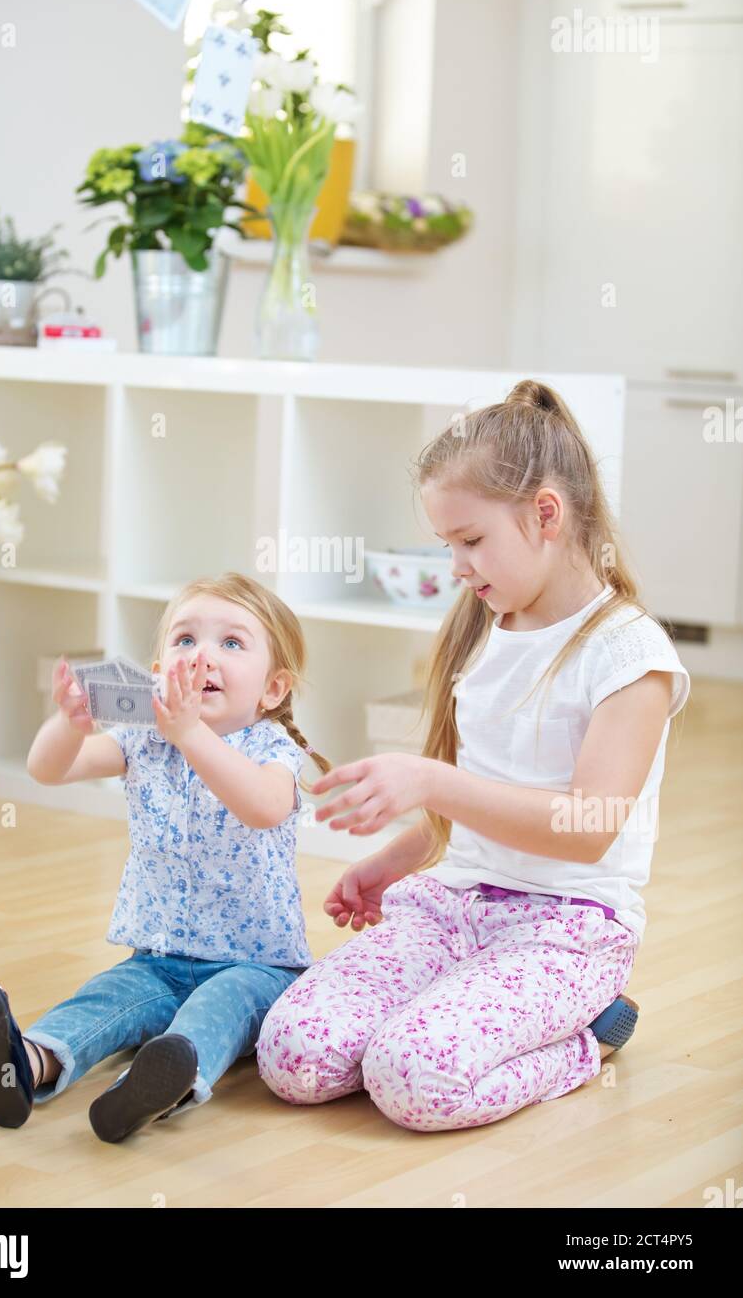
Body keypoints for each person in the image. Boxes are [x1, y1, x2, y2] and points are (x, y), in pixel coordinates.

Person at [257, 379, 690, 1132]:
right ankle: (459, 1012)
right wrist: (395, 860)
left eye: (470, 540)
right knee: (294, 1057)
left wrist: (429, 778)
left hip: (567, 928)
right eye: (446, 544)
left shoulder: (628, 653)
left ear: (545, 514)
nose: (456, 565)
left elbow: (586, 827)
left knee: (411, 1077)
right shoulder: (487, 626)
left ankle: (587, 1036)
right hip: (459, 906)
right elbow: (484, 802)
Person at [0, 573, 330, 1142]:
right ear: (158, 673)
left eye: (231, 643)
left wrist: (190, 735)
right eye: (184, 640)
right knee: (104, 1001)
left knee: (216, 1012)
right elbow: (48, 770)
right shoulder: (142, 738)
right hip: (157, 956)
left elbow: (264, 807)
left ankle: (152, 1086)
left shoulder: (270, 748)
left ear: (272, 689)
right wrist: (69, 725)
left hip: (257, 965)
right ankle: (26, 1063)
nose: (202, 655)